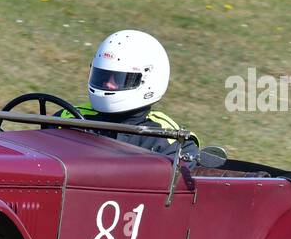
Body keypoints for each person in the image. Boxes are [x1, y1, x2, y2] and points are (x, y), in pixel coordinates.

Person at [65, 30, 198, 160]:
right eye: (103, 76)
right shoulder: (68, 118)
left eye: (118, 79)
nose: (108, 85)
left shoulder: (171, 141)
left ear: (149, 81)